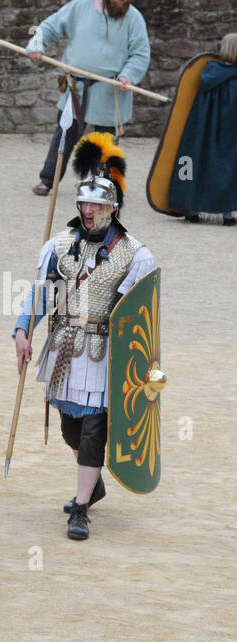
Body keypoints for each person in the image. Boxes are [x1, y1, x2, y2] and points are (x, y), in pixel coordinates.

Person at [13, 134, 155, 540]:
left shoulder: (134, 254)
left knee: (94, 429)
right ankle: (92, 482)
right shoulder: (59, 246)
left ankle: (80, 509)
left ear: (112, 209)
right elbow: (42, 294)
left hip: (103, 351)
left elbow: (138, 314)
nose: (88, 211)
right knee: (70, 430)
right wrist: (23, 330)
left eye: (96, 205)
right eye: (84, 204)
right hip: (63, 349)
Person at [26, 0, 150, 196]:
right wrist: (37, 44)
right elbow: (49, 27)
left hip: (109, 90)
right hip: (77, 88)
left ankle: (101, 185)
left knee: (105, 141)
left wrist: (128, 75)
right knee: (65, 134)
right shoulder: (79, 7)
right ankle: (48, 180)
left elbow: (140, 53)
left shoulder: (133, 18)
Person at [170, 33, 237, 226]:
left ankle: (192, 208)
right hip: (230, 135)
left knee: (197, 163)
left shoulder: (209, 73)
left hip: (203, 131)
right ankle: (227, 213)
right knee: (228, 167)